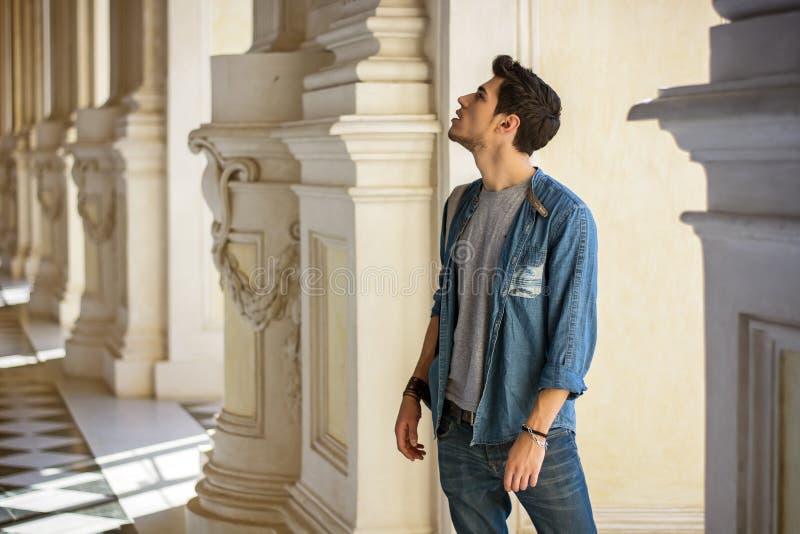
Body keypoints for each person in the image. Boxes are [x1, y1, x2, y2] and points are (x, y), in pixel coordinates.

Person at [394, 55, 598, 534]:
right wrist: (414, 388)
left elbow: (571, 342)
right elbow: (446, 306)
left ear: (507, 124)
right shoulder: (458, 204)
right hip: (456, 428)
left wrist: (535, 433)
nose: (464, 99)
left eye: (479, 96)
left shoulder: (565, 217)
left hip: (532, 430)